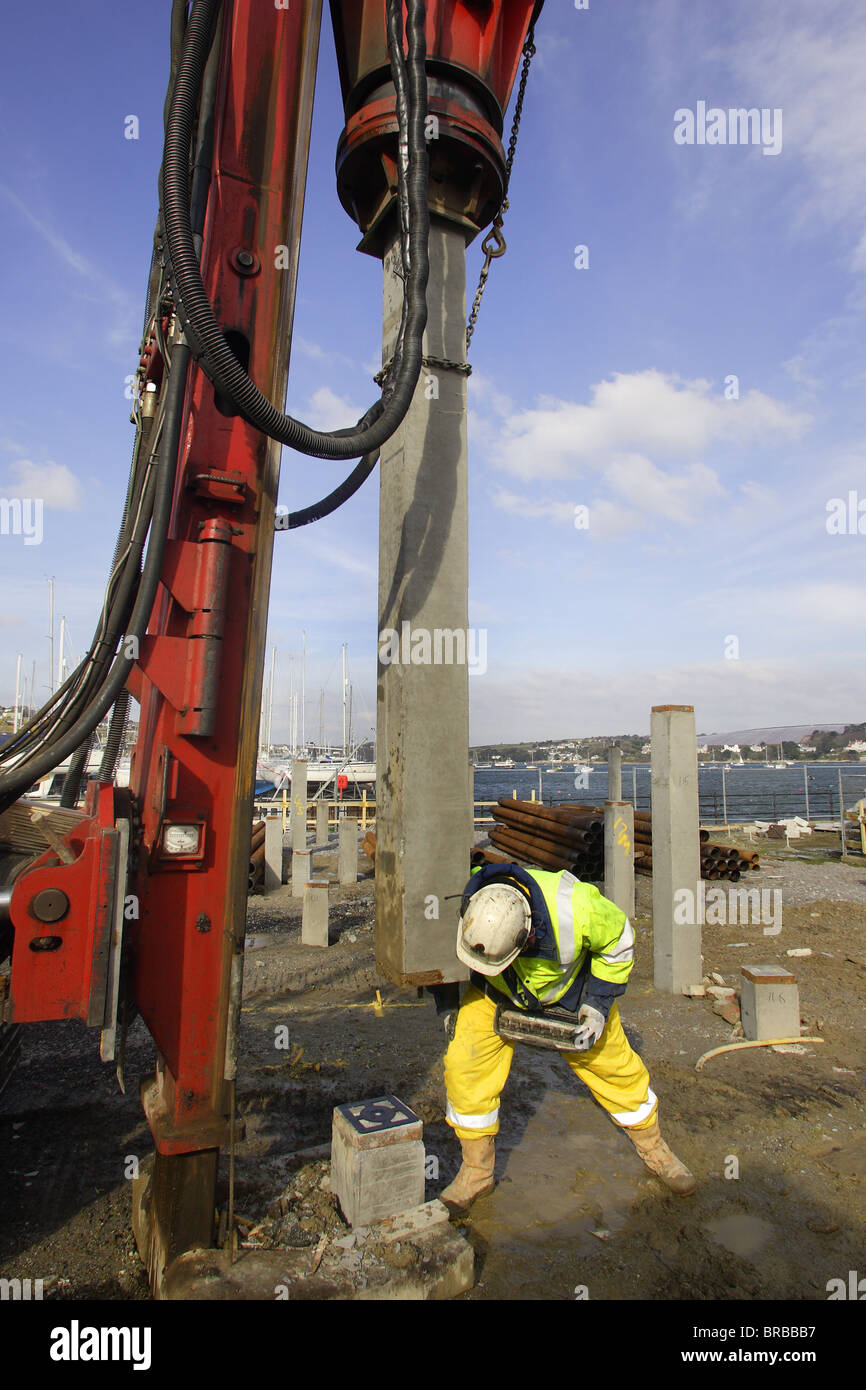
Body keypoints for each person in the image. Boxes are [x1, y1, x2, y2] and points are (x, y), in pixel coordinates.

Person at [439, 859, 696, 1211]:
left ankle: (656, 1151)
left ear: (527, 935)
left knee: (616, 1070)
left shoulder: (576, 906)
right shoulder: (470, 896)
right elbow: (430, 949)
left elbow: (619, 940)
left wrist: (598, 1005)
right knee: (465, 1067)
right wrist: (446, 1004)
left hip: (569, 997)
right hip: (494, 992)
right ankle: (476, 1171)